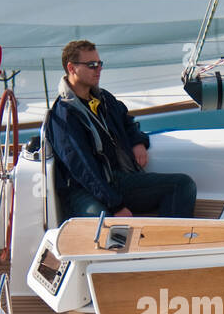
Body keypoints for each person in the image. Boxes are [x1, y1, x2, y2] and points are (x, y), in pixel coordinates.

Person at [45, 39, 196, 220]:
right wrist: (115, 205)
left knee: (183, 185)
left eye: (100, 64)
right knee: (101, 225)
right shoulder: (62, 116)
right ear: (72, 68)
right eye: (92, 65)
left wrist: (137, 141)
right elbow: (83, 169)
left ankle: (168, 241)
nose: (98, 69)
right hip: (83, 190)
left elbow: (127, 120)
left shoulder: (104, 99)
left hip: (117, 180)